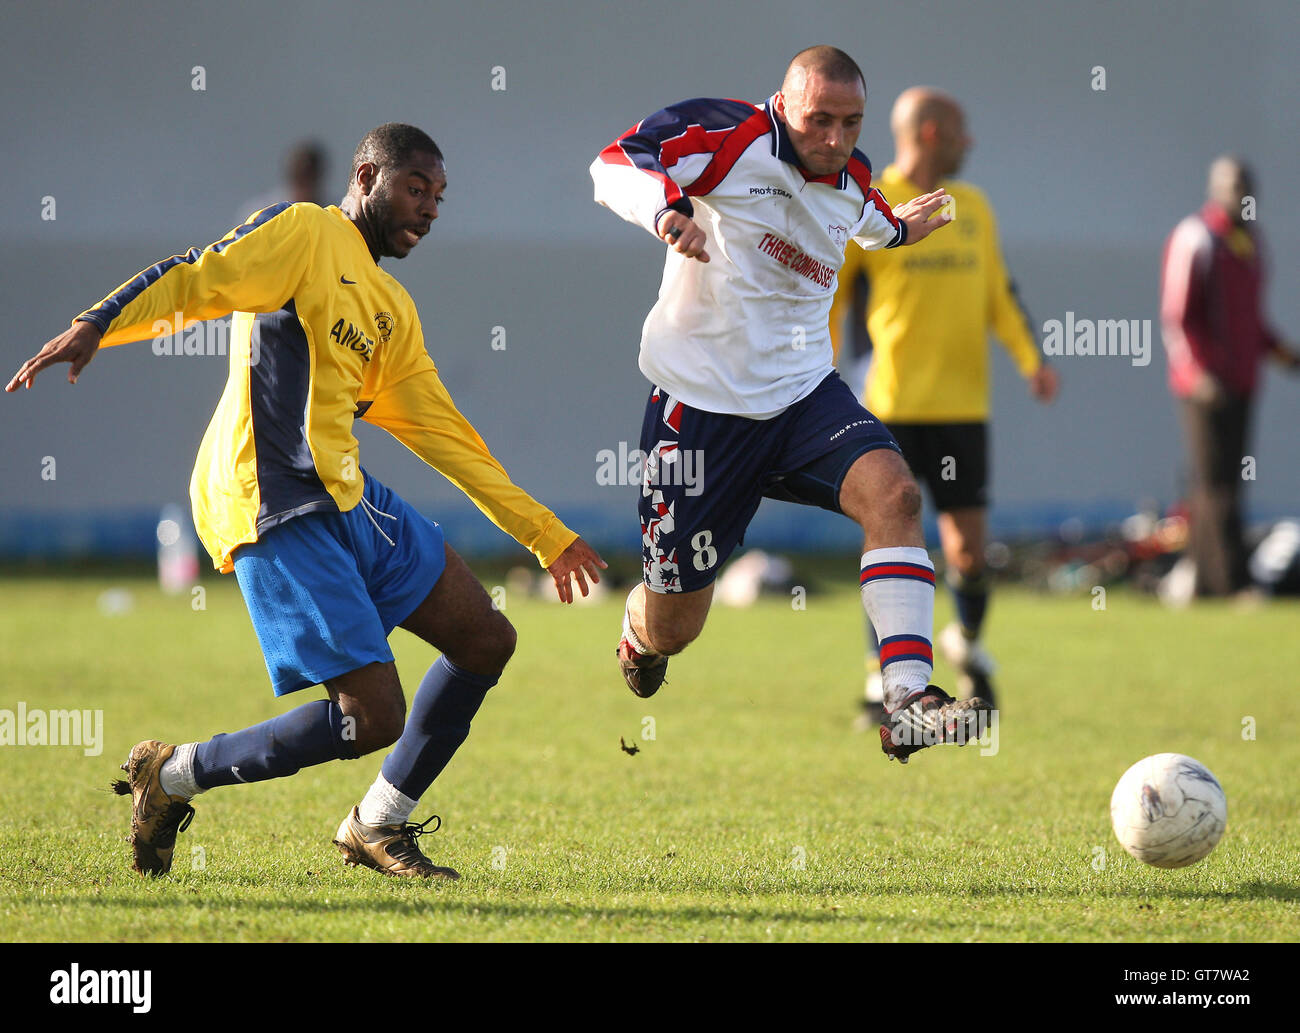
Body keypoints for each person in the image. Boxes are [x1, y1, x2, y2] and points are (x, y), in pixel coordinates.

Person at [6, 123, 606, 879]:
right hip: (273, 495)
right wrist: (100, 321)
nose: (429, 209)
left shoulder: (389, 304)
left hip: (347, 495)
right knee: (371, 716)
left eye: (440, 197)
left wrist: (546, 535)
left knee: (486, 638)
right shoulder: (303, 233)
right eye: (415, 188)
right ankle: (172, 775)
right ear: (366, 176)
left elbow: (447, 436)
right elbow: (200, 276)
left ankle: (377, 825)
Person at [590, 46, 990, 764]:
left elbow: (865, 218)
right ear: (783, 104)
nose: (834, 139)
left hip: (805, 396)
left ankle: (905, 697)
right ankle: (640, 629)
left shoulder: (851, 175)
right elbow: (614, 162)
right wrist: (666, 212)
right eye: (818, 121)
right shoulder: (725, 136)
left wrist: (900, 229)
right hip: (702, 409)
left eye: (850, 122)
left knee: (895, 494)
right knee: (677, 625)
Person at [828, 87, 1058, 725]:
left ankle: (970, 644)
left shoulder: (976, 207)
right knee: (889, 540)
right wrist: (816, 374)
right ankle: (885, 681)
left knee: (968, 554)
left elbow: (999, 296)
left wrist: (1031, 360)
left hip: (963, 409)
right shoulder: (872, 201)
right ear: (930, 133)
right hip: (890, 405)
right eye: (961, 131)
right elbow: (833, 294)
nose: (971, 142)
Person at [1160, 155, 1300, 598]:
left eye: (1247, 186)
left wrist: (1284, 355)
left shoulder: (1249, 244)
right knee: (1215, 483)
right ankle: (1233, 583)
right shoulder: (1196, 237)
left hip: (1242, 382)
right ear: (1215, 188)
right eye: (1233, 186)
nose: (1242, 194)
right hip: (1204, 387)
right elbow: (1177, 317)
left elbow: (1251, 321)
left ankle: (1200, 582)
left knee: (1226, 483)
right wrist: (1196, 372)